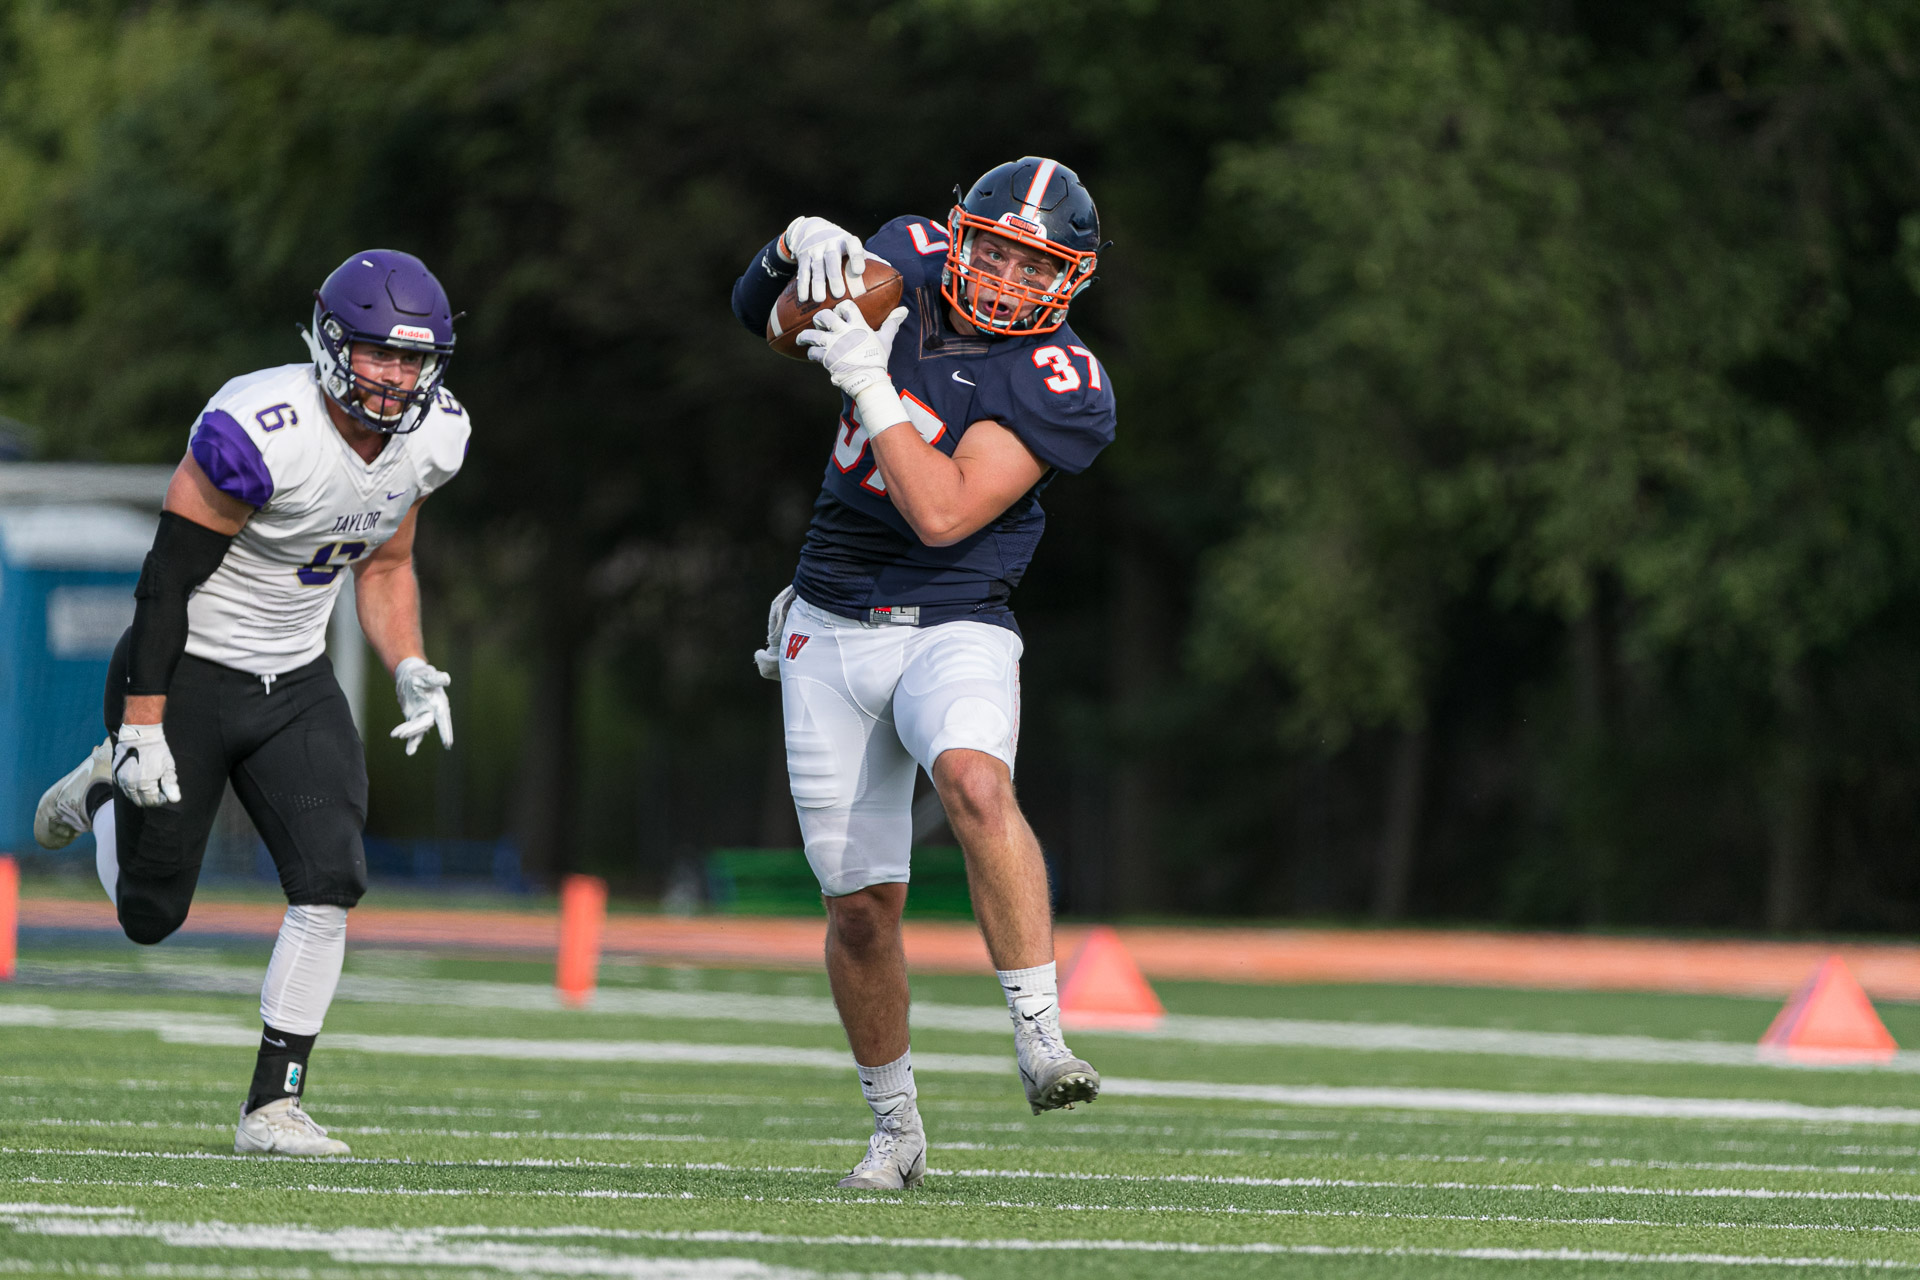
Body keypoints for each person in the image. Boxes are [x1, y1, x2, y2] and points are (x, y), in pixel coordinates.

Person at [730, 157, 1116, 1189]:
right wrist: (790, 252)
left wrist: (867, 380)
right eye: (994, 249)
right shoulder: (906, 256)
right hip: (829, 621)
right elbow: (764, 322)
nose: (1005, 276)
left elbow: (942, 512)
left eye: (1034, 264)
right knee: (860, 909)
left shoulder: (1062, 381)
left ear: (1070, 279)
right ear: (961, 232)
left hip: (956, 616)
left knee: (976, 781)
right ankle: (895, 1127)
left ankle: (1040, 1034)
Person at [32, 249, 469, 1157]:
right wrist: (142, 724)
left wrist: (409, 663)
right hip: (184, 668)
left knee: (331, 877)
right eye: (378, 353)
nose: (395, 377)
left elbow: (386, 563)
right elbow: (165, 581)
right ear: (330, 343)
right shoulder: (261, 429)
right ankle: (104, 785)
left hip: (295, 680)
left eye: (413, 359)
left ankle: (274, 1106)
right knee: (150, 915)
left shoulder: (435, 436)